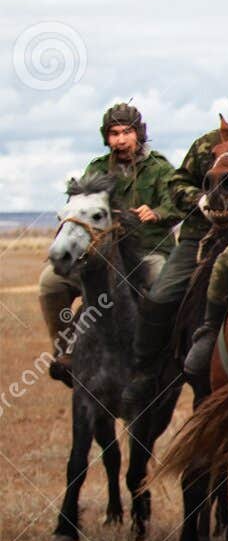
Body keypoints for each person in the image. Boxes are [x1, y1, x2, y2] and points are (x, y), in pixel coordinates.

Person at [124, 88, 228, 411]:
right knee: (160, 297)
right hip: (202, 238)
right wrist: (201, 200)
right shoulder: (209, 145)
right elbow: (176, 183)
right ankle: (144, 373)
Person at [39, 103, 177, 384]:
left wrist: (158, 213)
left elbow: (177, 203)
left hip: (147, 250)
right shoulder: (98, 168)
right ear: (107, 137)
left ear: (139, 134)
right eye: (114, 134)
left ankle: (162, 356)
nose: (121, 140)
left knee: (160, 284)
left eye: (127, 132)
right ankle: (66, 352)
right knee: (51, 282)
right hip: (102, 253)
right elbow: (79, 207)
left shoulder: (160, 168)